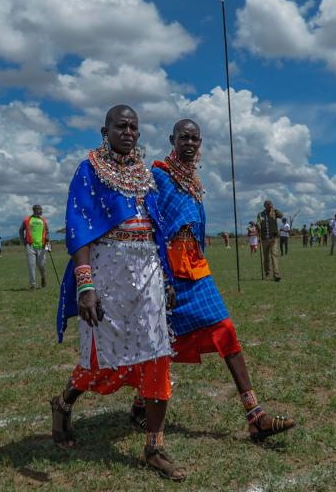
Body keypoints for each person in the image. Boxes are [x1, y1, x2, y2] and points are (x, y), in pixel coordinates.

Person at [138, 119, 295, 444]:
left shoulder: (194, 181)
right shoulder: (157, 176)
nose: (190, 143)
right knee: (159, 342)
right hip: (164, 269)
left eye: (196, 138)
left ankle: (255, 416)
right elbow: (146, 219)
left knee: (225, 329)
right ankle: (140, 403)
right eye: (184, 137)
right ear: (172, 139)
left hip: (196, 268)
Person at [51, 105, 183, 480]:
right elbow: (78, 226)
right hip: (107, 272)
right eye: (121, 126)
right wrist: (86, 284)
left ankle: (154, 447)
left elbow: (157, 229)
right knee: (102, 357)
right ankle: (63, 403)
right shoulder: (89, 169)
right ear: (104, 129)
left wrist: (167, 279)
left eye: (134, 127)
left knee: (159, 352)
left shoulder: (145, 174)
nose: (128, 132)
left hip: (148, 271)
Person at [20, 204, 49, 290]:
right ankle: (33, 285)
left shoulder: (43, 221)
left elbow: (47, 231)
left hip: (41, 246)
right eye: (40, 210)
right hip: (30, 246)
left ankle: (43, 277)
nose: (41, 211)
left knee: (41, 265)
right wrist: (24, 241)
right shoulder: (27, 220)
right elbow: (20, 230)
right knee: (31, 266)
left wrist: (47, 237)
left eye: (41, 209)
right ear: (35, 210)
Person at [256, 201, 283, 282]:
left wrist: (275, 210)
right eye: (268, 205)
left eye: (271, 205)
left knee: (274, 256)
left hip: (273, 238)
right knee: (266, 257)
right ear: (265, 206)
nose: (270, 206)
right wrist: (258, 225)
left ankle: (276, 275)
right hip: (264, 239)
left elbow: (281, 215)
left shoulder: (274, 212)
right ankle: (267, 272)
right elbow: (258, 222)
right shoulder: (260, 214)